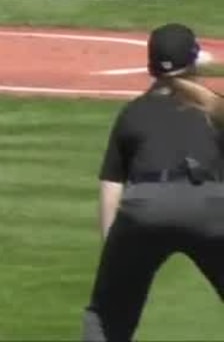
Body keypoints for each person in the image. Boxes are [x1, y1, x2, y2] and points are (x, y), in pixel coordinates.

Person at [80, 23, 224, 342]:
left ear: (150, 66)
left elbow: (111, 187)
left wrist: (115, 256)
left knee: (107, 314)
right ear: (195, 61)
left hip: (144, 208)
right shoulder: (216, 107)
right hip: (210, 204)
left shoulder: (133, 113)